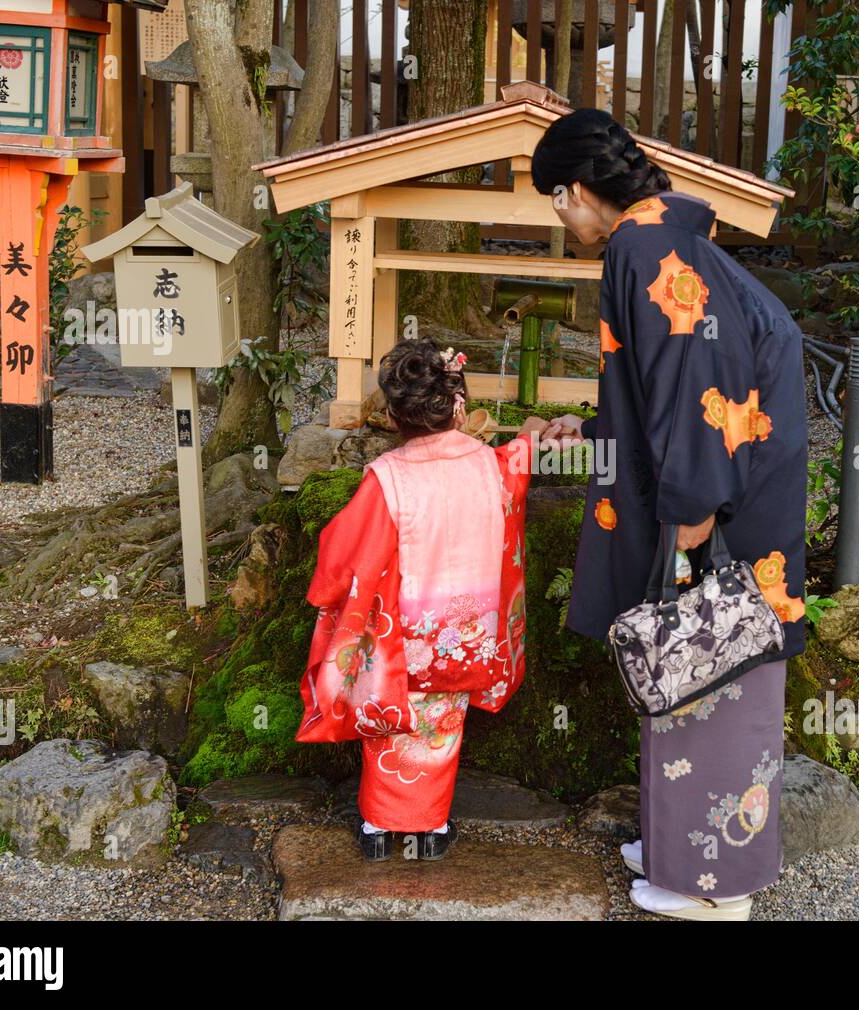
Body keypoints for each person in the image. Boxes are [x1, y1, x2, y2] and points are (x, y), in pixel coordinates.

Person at [532, 108, 808, 920]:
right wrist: (588, 435)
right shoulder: (662, 235)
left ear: (582, 189)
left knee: (711, 654)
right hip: (728, 469)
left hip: (716, 487)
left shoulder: (642, 245)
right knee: (682, 657)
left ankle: (716, 884)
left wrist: (691, 505)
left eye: (557, 195)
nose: (558, 214)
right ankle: (676, 840)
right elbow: (667, 378)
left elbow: (692, 374)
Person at [295, 338, 547, 862]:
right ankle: (429, 828)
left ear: (392, 415)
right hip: (465, 635)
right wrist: (533, 434)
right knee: (442, 728)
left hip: (402, 639)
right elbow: (516, 466)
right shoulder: (488, 465)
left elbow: (347, 550)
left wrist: (326, 589)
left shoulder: (388, 478)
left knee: (389, 724)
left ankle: (375, 827)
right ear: (458, 404)